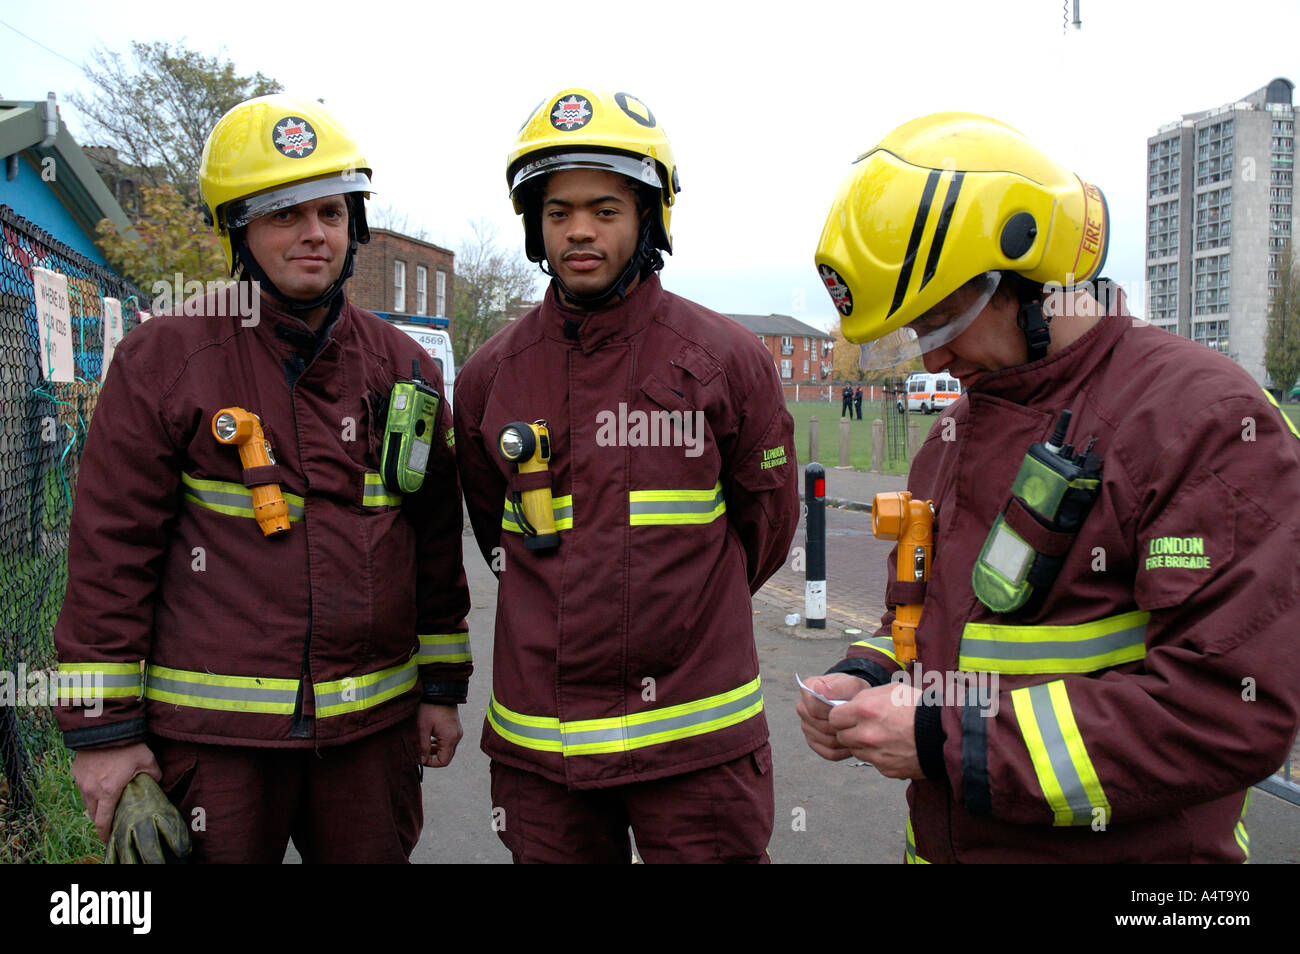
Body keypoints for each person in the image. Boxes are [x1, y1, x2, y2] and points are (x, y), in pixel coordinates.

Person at [799, 112, 1300, 863]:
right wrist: (866, 672)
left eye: (944, 314)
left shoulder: (1199, 419)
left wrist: (942, 738)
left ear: (1033, 277)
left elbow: (1224, 711)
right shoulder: (950, 437)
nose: (933, 354)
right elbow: (938, 624)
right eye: (913, 328)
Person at [53, 94, 471, 863]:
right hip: (214, 749)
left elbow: (436, 542)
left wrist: (441, 688)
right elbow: (111, 557)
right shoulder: (166, 360)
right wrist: (104, 735)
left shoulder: (406, 368)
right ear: (237, 229)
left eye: (332, 213)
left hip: (370, 738)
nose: (315, 233)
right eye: (285, 214)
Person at [454, 87, 799, 863]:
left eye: (605, 209)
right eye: (559, 211)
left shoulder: (728, 362)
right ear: (535, 226)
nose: (580, 229)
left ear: (649, 218)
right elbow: (494, 533)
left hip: (698, 745)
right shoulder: (488, 378)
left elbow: (762, 535)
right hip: (546, 755)